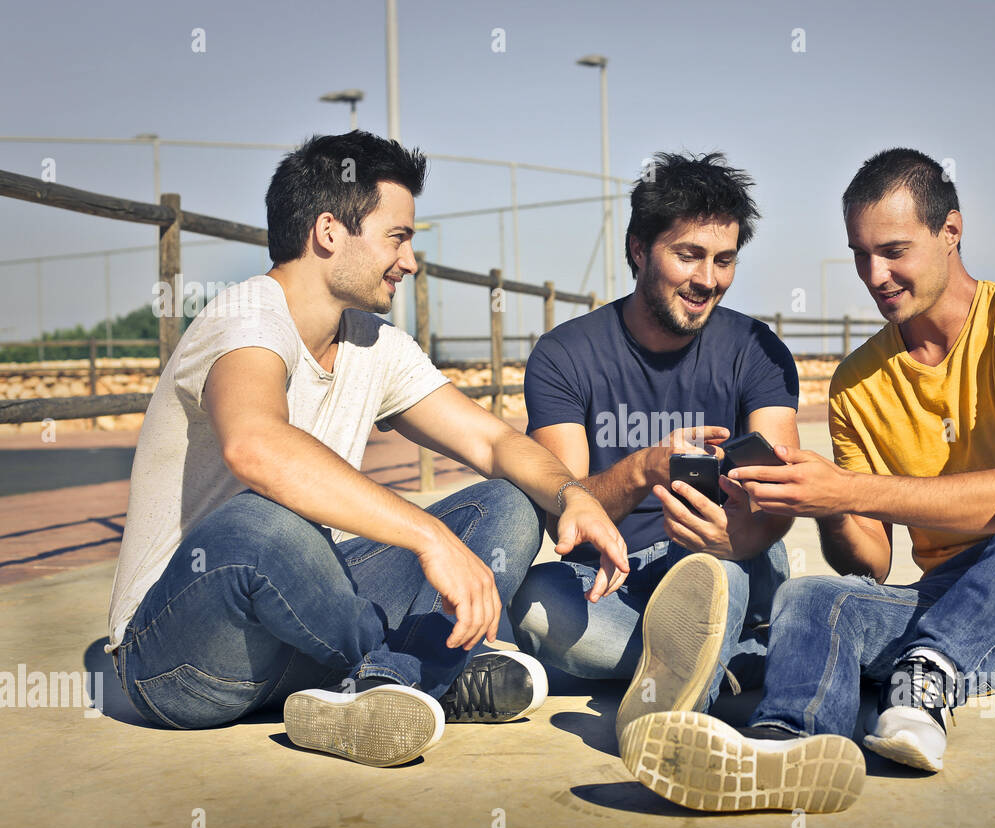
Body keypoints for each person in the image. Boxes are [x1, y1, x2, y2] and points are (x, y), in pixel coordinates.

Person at [621, 147, 995, 810]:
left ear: (950, 232)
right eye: (860, 254)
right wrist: (820, 500)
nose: (876, 274)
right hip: (952, 618)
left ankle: (935, 664)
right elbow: (872, 561)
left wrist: (852, 489)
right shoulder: (857, 381)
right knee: (811, 599)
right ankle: (787, 746)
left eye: (894, 250)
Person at [107, 131, 628, 768]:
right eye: (398, 237)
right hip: (183, 657)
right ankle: (421, 669)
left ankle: (379, 687)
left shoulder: (372, 343)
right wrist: (430, 540)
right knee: (262, 519)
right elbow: (255, 446)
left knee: (509, 503)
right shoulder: (245, 318)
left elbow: (491, 441)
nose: (409, 261)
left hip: (302, 634)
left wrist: (573, 495)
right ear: (329, 231)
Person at [509, 152, 799, 741]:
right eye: (688, 255)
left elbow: (782, 496)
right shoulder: (565, 355)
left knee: (725, 576)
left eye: (724, 260)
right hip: (615, 585)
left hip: (729, 560)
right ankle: (728, 669)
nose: (708, 280)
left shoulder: (756, 348)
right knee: (537, 601)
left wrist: (732, 538)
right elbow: (560, 509)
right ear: (639, 250)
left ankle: (674, 687)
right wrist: (644, 469)